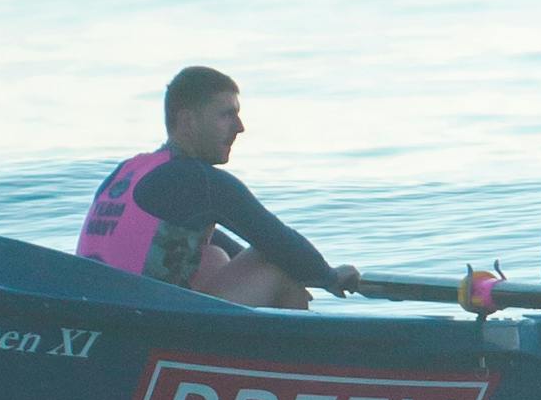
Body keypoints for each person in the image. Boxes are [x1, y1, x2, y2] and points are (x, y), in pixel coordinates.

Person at [76, 66, 361, 307]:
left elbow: (217, 243)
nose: (239, 127)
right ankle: (301, 361)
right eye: (226, 115)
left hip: (98, 310)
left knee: (213, 254)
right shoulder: (198, 180)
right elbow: (277, 241)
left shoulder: (127, 171)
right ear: (188, 121)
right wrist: (329, 277)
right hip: (145, 324)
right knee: (275, 264)